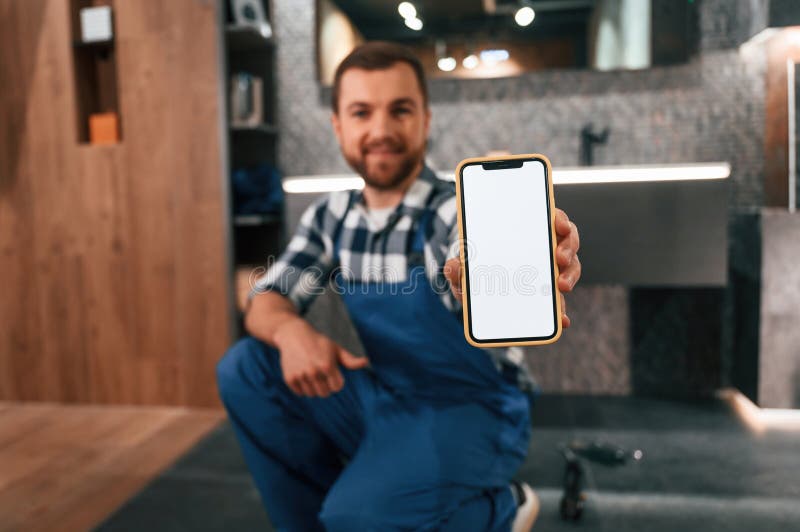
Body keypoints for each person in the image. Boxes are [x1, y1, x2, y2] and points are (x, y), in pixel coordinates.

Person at [216, 41, 582, 532]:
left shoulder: (450, 207)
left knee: (357, 516)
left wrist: (497, 262)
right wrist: (290, 332)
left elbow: (460, 248)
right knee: (245, 367)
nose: (381, 130)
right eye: (361, 112)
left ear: (425, 120)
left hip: (475, 405)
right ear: (338, 126)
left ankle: (502, 508)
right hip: (385, 394)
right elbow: (266, 298)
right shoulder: (330, 215)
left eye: (400, 110)